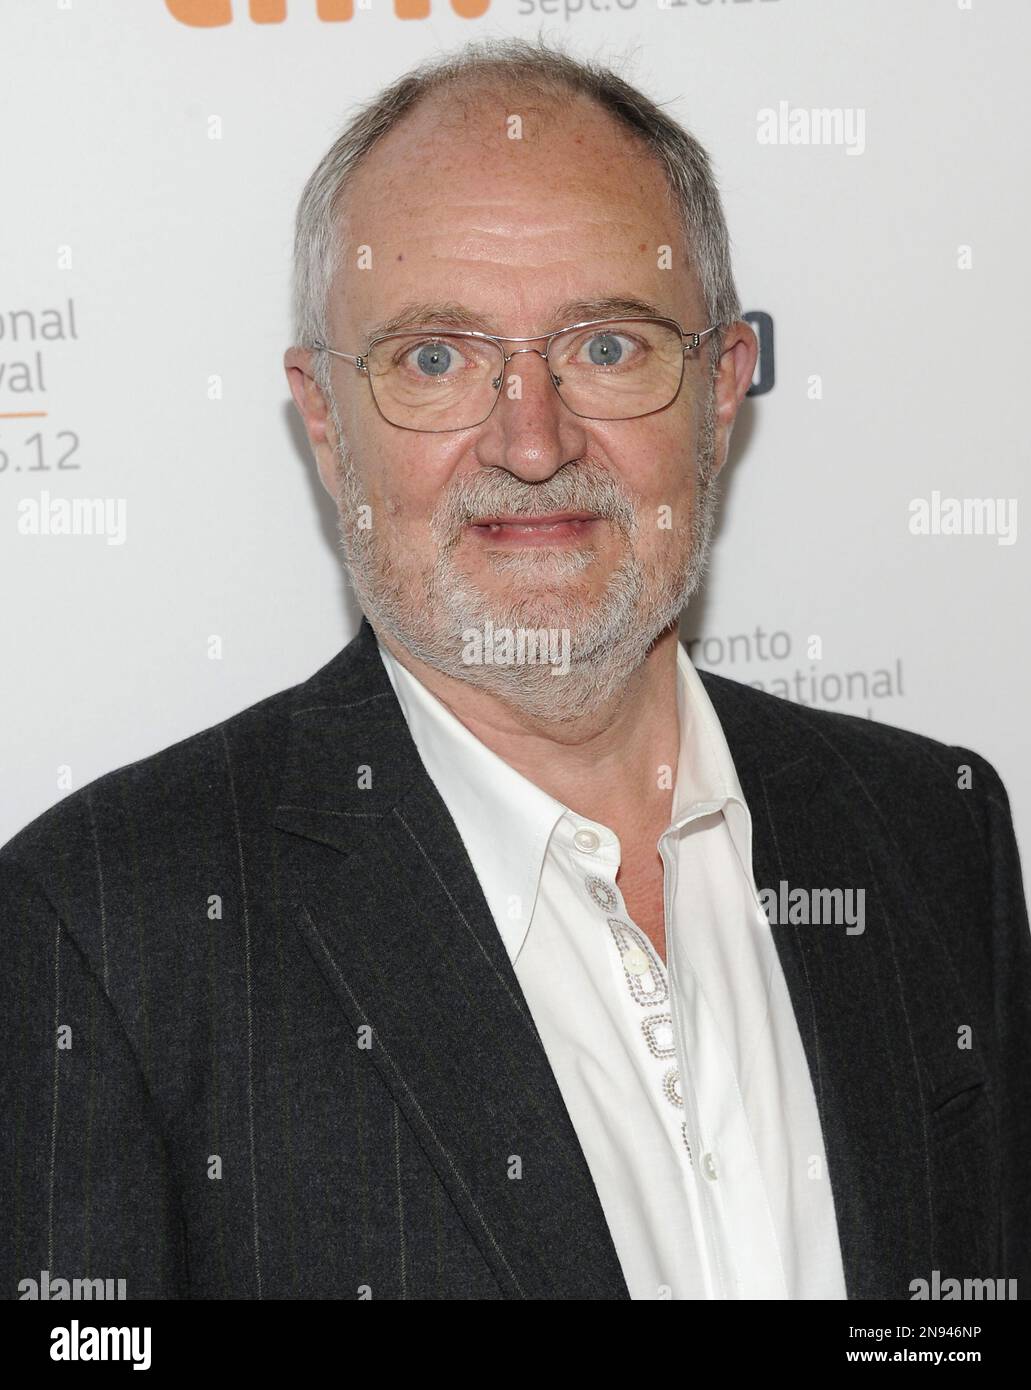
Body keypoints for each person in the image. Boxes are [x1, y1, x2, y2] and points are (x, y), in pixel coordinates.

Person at [3, 36, 1029, 1302]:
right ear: (324, 419)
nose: (531, 441)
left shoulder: (933, 837)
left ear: (719, 391)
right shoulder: (105, 924)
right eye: (433, 358)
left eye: (606, 347)